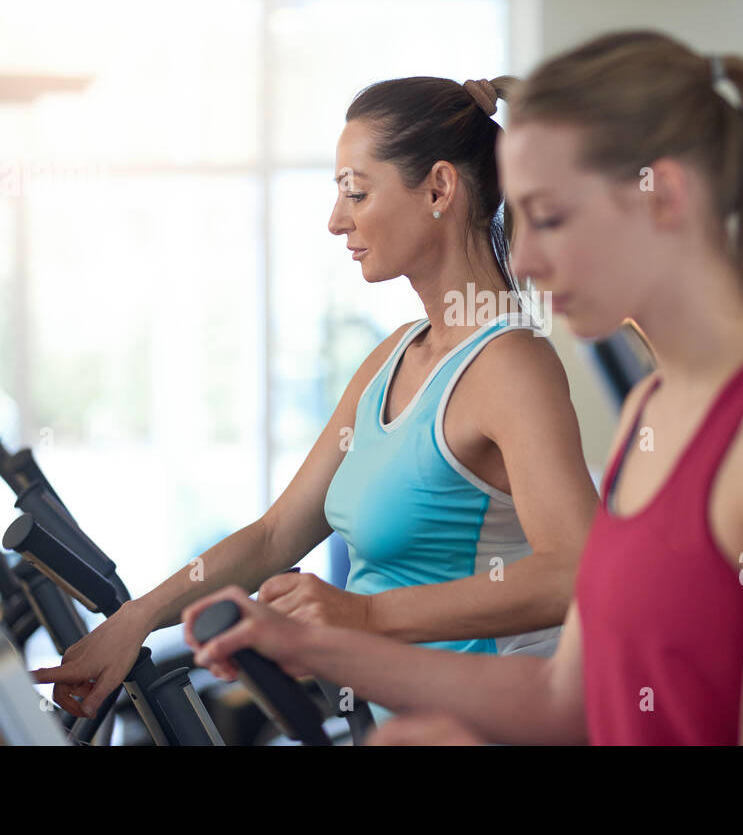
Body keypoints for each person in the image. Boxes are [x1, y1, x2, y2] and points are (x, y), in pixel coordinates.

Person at [184, 30, 743, 745]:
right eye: (520, 221)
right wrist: (314, 645)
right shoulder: (654, 407)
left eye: (550, 217)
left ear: (663, 197)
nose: (521, 256)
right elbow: (566, 697)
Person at [33, 76, 599, 723]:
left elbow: (574, 571)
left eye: (356, 192)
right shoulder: (393, 357)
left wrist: (361, 615)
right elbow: (275, 536)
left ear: (440, 188)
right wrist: (135, 620)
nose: (337, 221)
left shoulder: (510, 363)